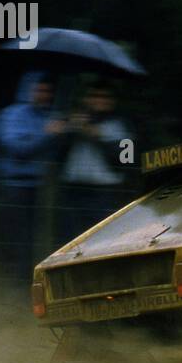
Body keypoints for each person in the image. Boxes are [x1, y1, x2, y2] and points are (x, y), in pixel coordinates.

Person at [0, 72, 66, 280]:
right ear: (28, 89)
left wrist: (62, 133)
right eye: (40, 89)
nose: (44, 95)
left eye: (48, 91)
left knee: (40, 238)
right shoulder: (11, 115)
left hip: (44, 188)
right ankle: (14, 283)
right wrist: (48, 135)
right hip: (15, 186)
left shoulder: (52, 117)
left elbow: (55, 154)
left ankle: (34, 281)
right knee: (18, 238)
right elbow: (16, 148)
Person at [58, 81, 134, 245]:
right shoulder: (74, 120)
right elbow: (57, 153)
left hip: (104, 193)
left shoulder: (121, 124)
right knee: (71, 240)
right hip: (74, 189)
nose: (99, 100)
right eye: (94, 96)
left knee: (102, 240)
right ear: (86, 99)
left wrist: (98, 135)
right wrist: (67, 128)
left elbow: (127, 160)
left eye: (104, 96)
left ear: (112, 100)